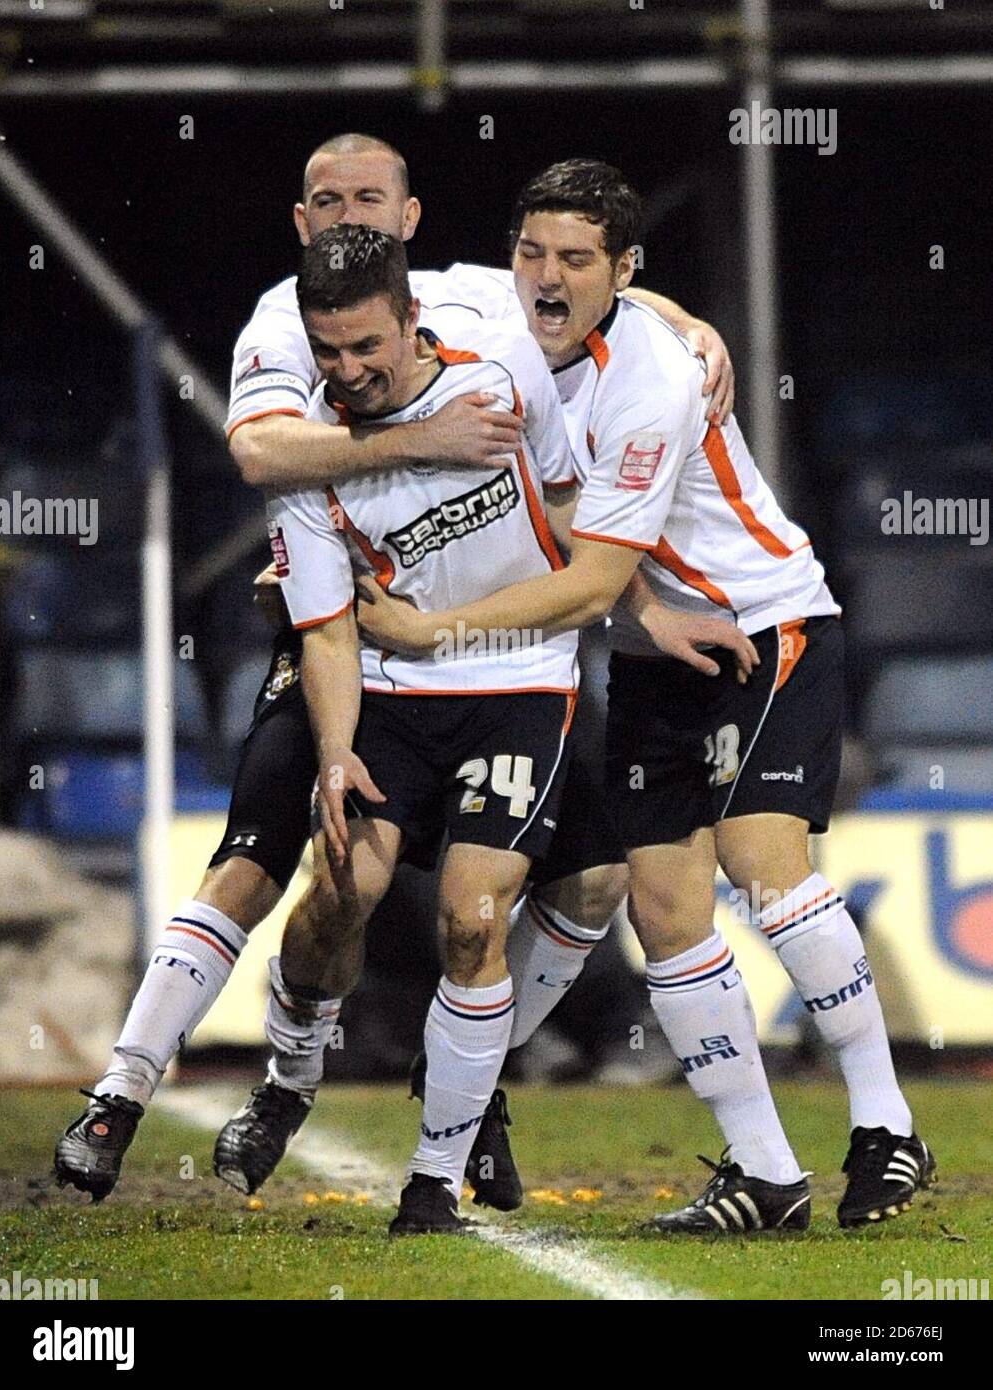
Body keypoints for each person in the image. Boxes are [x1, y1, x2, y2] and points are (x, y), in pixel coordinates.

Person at [52, 134, 740, 1206]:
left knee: (567, 885)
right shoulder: (286, 326)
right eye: (323, 198)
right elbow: (262, 458)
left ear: (409, 227)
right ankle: (181, 1088)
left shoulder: (487, 322)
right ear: (299, 222)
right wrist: (415, 447)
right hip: (360, 658)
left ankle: (463, 1095)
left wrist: (685, 323)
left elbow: (575, 339)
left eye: (366, 197)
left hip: (514, 665)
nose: (345, 215)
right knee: (295, 877)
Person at [357, 159, 935, 1234]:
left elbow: (583, 579)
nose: (544, 278)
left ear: (618, 270)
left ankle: (884, 1125)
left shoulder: (650, 382)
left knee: (765, 867)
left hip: (763, 627)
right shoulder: (487, 303)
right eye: (532, 252)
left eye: (575, 260)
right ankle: (765, 1175)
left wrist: (422, 631)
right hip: (655, 649)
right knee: (663, 908)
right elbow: (360, 300)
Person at [247, 222, 585, 1234]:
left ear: (409, 321)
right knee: (342, 887)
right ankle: (290, 1066)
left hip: (519, 677)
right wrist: (339, 752)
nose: (348, 371)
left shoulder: (503, 377)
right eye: (327, 353)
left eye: (366, 347)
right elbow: (326, 630)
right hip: (390, 692)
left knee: (474, 916)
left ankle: (435, 1177)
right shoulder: (308, 457)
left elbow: (570, 514)